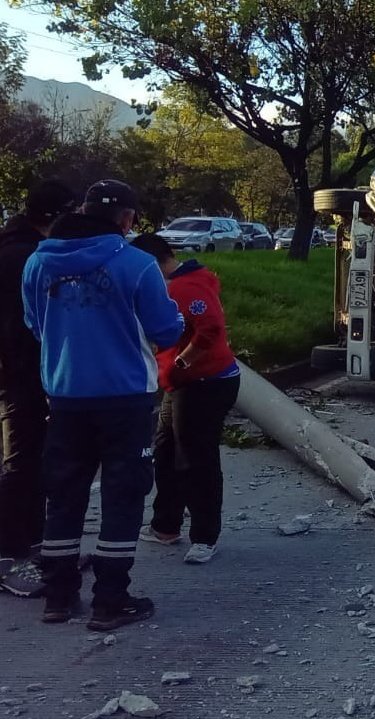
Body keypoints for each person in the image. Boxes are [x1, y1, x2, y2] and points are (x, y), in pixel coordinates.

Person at [22, 180, 184, 629]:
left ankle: (58, 597)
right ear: (127, 219)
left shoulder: (38, 262)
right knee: (123, 495)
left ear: (84, 210)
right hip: (125, 398)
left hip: (65, 395)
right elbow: (166, 330)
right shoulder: (137, 264)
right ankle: (110, 601)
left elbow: (35, 324)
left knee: (64, 494)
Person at [131, 233, 240, 565]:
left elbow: (211, 330)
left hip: (204, 383)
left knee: (196, 459)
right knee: (166, 450)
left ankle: (205, 536)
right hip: (181, 383)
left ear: (152, 264)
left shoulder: (185, 287)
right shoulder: (185, 281)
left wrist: (181, 362)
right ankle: (166, 525)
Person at [0, 180, 77, 597]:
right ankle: (8, 555)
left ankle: (33, 544)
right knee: (22, 460)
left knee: (33, 460)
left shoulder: (17, 247)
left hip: (22, 370)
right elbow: (26, 323)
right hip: (19, 372)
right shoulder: (25, 257)